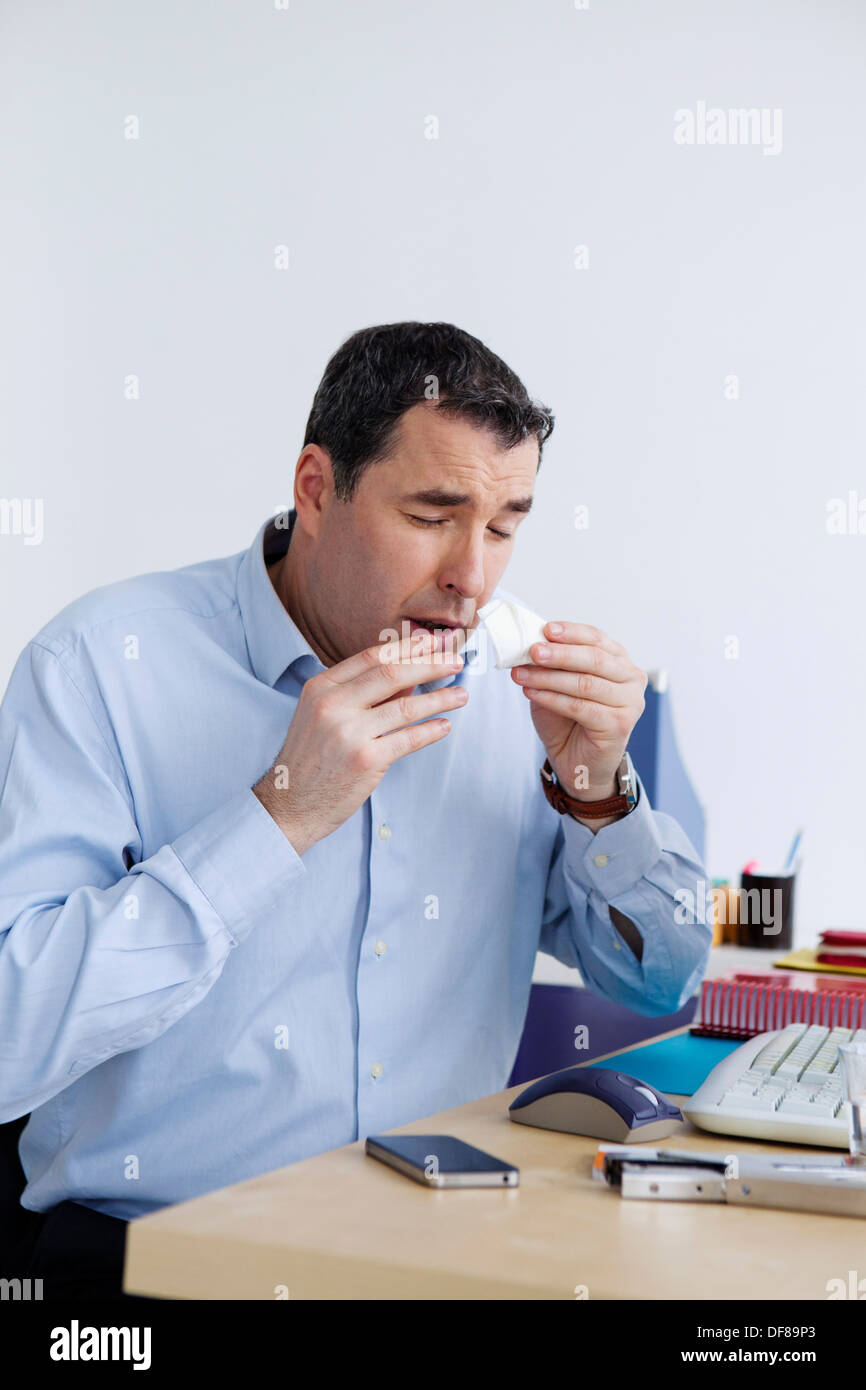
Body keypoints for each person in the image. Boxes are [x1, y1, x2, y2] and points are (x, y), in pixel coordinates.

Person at [0, 322, 712, 1298]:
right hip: (148, 1259)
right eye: (433, 513)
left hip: (434, 1255)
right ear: (315, 488)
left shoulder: (523, 678)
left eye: (505, 524)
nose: (473, 575)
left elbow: (661, 975)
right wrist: (277, 817)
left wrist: (598, 793)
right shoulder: (97, 664)